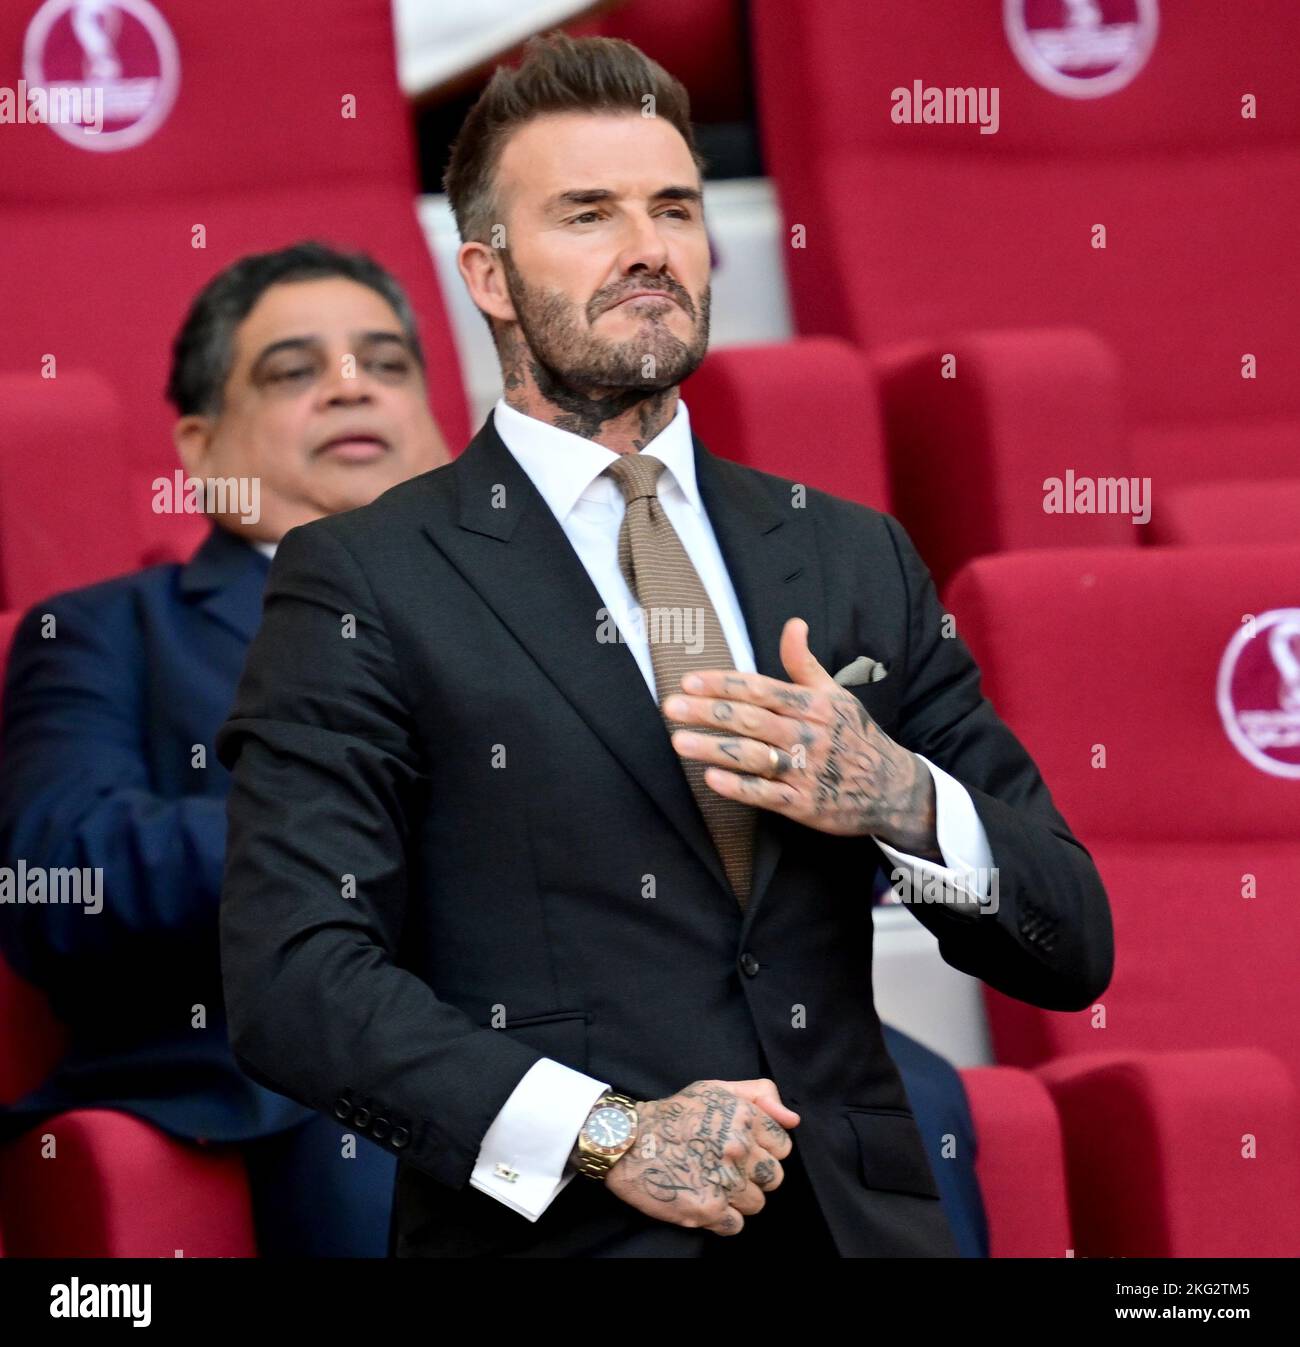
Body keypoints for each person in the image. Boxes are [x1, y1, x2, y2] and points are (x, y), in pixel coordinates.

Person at [216, 35, 1112, 1258]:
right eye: (589, 213)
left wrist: (899, 795)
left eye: (675, 208)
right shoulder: (364, 577)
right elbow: (294, 979)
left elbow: (1071, 944)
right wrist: (607, 1136)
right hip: (568, 1240)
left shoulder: (848, 552)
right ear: (487, 274)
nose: (647, 247)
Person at [0, 242, 449, 1256]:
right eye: (294, 371)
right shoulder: (111, 631)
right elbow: (53, 875)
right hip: (323, 1078)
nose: (352, 388)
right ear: (201, 450)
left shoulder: (559, 615)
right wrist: (347, 824)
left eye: (385, 364)